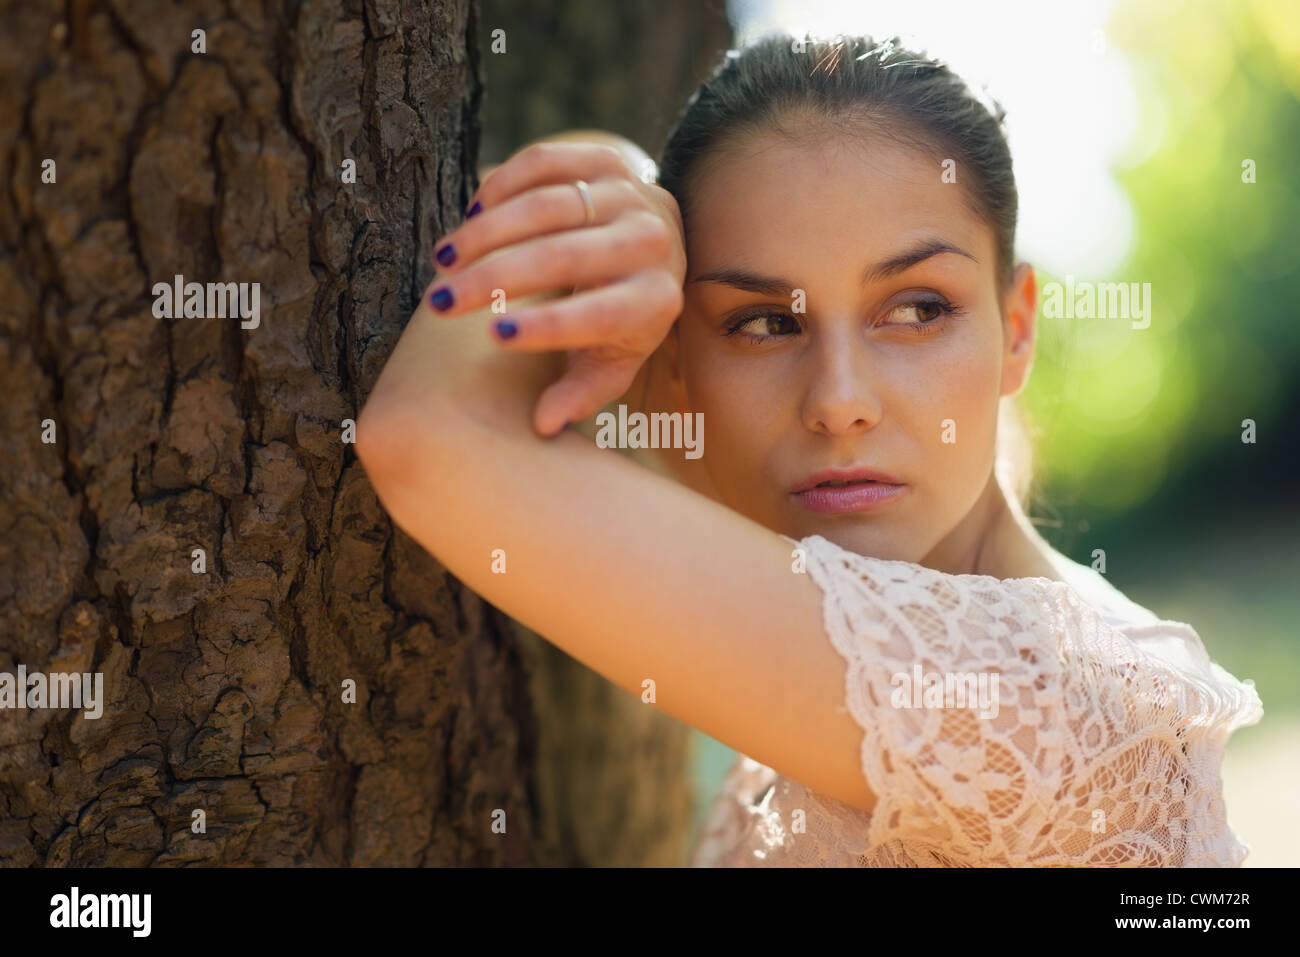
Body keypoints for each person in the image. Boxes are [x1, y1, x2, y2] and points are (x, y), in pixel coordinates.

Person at [356, 33, 1263, 866]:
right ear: (680, 363)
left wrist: (610, 191)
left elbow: (429, 433)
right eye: (762, 322)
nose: (837, 403)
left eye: (916, 309)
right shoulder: (830, 643)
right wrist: (624, 202)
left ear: (1016, 328)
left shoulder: (1046, 704)